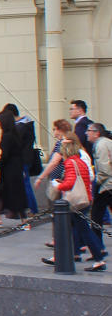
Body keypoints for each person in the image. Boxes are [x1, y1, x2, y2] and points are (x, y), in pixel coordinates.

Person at [41, 134, 106, 273]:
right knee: (74, 229)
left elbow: (70, 183)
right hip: (84, 199)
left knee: (76, 229)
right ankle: (72, 255)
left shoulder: (70, 162)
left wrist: (57, 185)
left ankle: (98, 259)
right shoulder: (80, 161)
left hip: (75, 202)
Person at [0, 106, 28, 226]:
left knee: (1, 193)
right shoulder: (14, 134)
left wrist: (1, 163)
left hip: (9, 169)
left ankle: (4, 218)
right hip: (15, 167)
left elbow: (5, 154)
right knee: (14, 193)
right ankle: (2, 217)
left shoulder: (7, 136)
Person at [6, 104, 42, 216]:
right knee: (24, 184)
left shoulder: (20, 127)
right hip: (26, 158)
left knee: (25, 185)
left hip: (22, 160)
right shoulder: (27, 124)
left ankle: (32, 209)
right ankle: (28, 209)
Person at [89, 123, 112, 243]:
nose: (87, 133)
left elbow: (104, 169)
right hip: (108, 183)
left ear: (96, 133)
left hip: (105, 185)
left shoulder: (101, 145)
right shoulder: (107, 142)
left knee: (96, 215)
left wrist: (96, 181)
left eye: (89, 130)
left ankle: (97, 245)